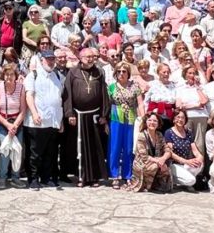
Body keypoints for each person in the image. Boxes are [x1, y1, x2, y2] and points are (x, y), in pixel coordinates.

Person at [62, 48, 110, 187]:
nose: (90, 59)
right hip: (78, 116)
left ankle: (94, 178)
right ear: (80, 57)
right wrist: (69, 113)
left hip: (94, 115)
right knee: (79, 148)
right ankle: (81, 177)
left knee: (95, 147)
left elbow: (104, 94)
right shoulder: (72, 72)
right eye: (87, 57)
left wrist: (104, 114)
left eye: (92, 57)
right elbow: (68, 94)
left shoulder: (99, 72)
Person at [24, 51, 64, 190]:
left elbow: (59, 100)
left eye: (53, 59)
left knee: (50, 153)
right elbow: (29, 96)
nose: (51, 62)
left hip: (53, 121)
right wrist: (34, 113)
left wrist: (61, 121)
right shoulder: (33, 75)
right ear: (42, 60)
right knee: (35, 154)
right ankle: (33, 179)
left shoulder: (58, 76)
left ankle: (46, 178)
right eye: (48, 59)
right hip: (37, 121)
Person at [106, 62, 142, 190]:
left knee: (128, 148)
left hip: (131, 119)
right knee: (115, 147)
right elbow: (106, 106)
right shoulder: (111, 87)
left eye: (124, 71)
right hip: (115, 119)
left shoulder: (135, 86)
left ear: (128, 73)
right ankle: (114, 175)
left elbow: (140, 104)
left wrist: (142, 119)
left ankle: (127, 175)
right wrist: (105, 122)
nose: (121, 73)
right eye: (119, 71)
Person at [0, 63, 26, 188]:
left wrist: (14, 126)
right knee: (4, 150)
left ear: (15, 76)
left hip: (17, 122)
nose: (9, 77)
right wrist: (7, 125)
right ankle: (2, 177)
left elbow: (23, 110)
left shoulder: (21, 87)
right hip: (2, 122)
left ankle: (16, 177)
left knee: (17, 150)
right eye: (6, 74)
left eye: (11, 74)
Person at [128, 112, 172, 192]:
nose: (152, 123)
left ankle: (157, 184)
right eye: (149, 120)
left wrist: (163, 159)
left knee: (166, 167)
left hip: (157, 161)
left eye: (155, 121)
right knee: (155, 166)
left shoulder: (159, 135)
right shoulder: (141, 136)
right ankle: (146, 185)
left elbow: (168, 150)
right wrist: (159, 161)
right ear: (146, 122)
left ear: (158, 123)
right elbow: (144, 157)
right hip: (142, 163)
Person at [175, 64, 209, 160]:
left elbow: (204, 101)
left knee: (199, 142)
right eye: (190, 73)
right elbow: (179, 106)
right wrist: (196, 105)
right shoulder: (180, 88)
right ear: (185, 75)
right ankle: (188, 164)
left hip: (201, 117)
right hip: (187, 117)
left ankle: (200, 168)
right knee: (187, 141)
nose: (192, 75)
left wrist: (197, 87)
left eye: (194, 73)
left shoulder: (201, 87)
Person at [165, 109, 203, 190]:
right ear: (174, 119)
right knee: (192, 181)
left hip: (185, 165)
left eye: (183, 117)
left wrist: (199, 158)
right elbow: (170, 153)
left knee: (200, 164)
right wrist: (186, 161)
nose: (180, 120)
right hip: (173, 164)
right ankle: (174, 180)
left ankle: (185, 179)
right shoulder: (169, 132)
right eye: (178, 117)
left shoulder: (188, 132)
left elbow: (195, 150)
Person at [144, 63, 177, 131]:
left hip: (169, 117)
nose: (166, 74)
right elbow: (146, 101)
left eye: (168, 72)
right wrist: (147, 115)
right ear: (158, 73)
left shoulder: (174, 86)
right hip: (155, 118)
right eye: (164, 72)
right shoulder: (152, 84)